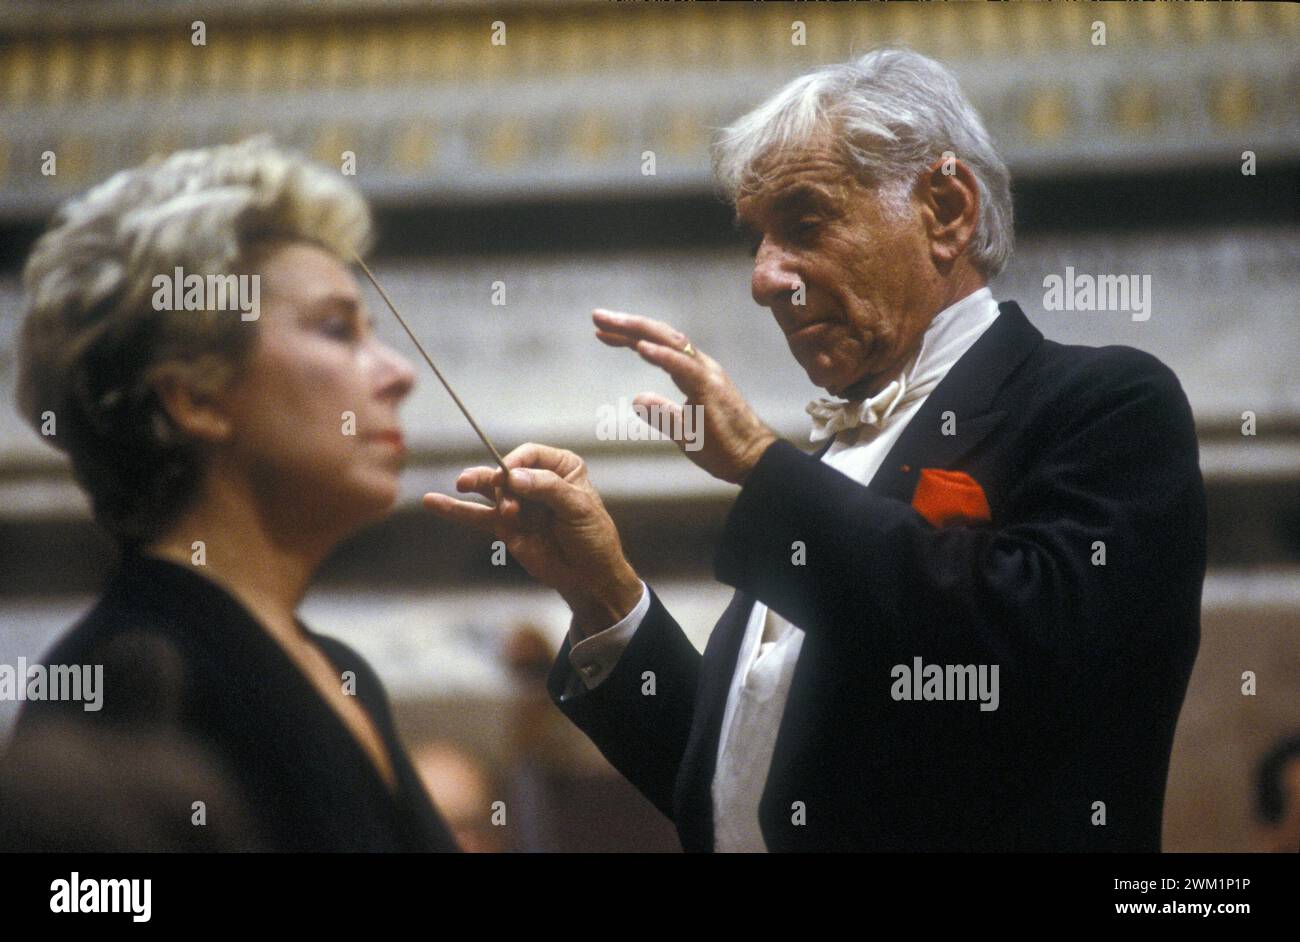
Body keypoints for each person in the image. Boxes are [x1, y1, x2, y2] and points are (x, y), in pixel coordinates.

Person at [425, 48, 1207, 851]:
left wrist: (763, 468)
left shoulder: (1105, 405)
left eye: (805, 224)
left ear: (946, 208)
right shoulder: (825, 469)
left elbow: (1017, 661)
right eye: (758, 240)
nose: (765, 279)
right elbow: (739, 786)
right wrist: (606, 598)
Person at [9, 137, 458, 852]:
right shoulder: (133, 680)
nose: (400, 373)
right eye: (338, 330)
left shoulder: (344, 674)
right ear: (194, 397)